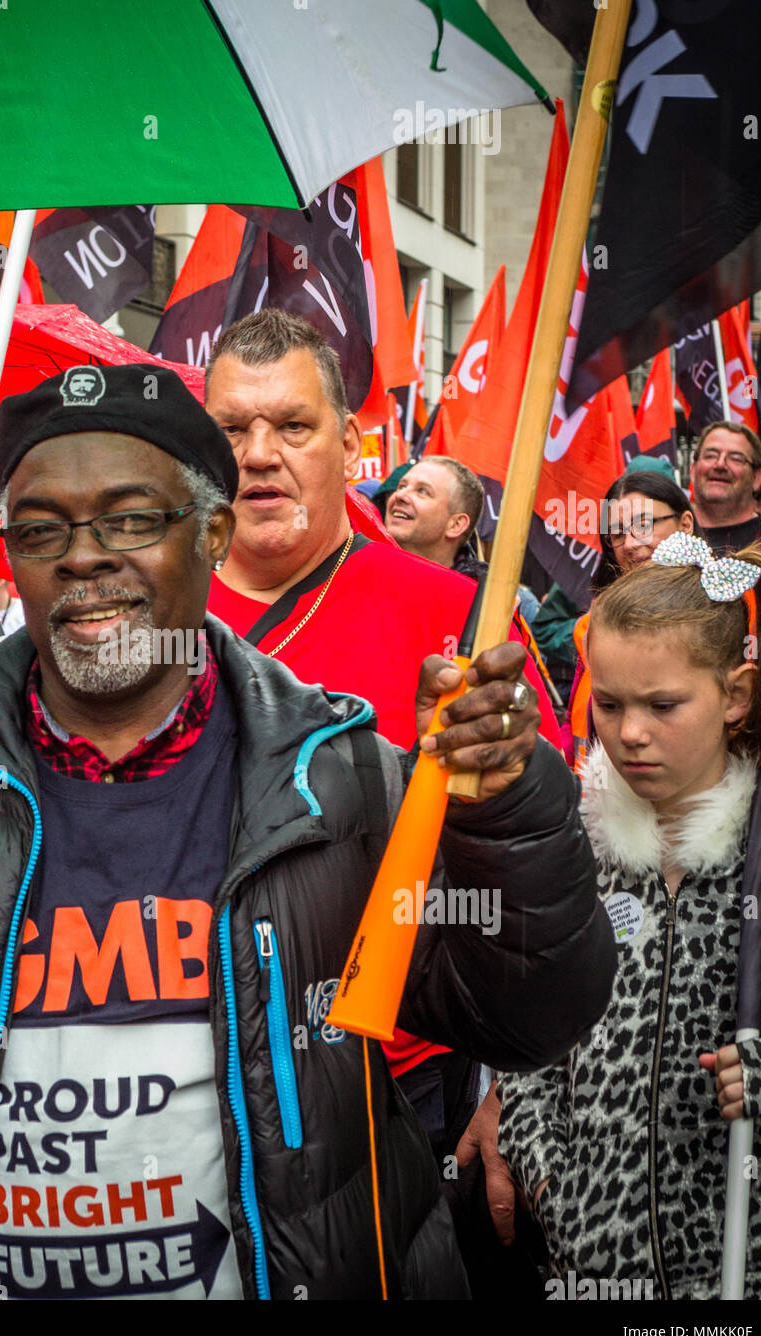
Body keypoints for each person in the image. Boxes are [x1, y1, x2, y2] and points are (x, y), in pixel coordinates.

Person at [0, 363, 614, 1299]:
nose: (84, 553)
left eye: (132, 518)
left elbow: (530, 1014)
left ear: (214, 532)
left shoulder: (343, 784)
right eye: (41, 527)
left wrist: (506, 812)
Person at [201, 311, 564, 1241]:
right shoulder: (143, 614)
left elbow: (549, 862)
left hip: (398, 1082)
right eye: (232, 430)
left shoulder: (458, 620)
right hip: (183, 1073)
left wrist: (513, 1087)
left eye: (292, 426)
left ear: (350, 444)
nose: (259, 454)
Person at [500, 534, 761, 1299]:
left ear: (736, 695)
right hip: (592, 1271)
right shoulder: (571, 842)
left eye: (663, 705)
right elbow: (528, 1032)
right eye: (608, 703)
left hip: (754, 1273)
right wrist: (554, 1185)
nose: (629, 733)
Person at [565, 466, 702, 773]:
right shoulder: (592, 624)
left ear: (686, 524)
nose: (628, 544)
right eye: (617, 534)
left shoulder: (725, 613)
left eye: (643, 525)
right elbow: (573, 724)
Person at [384, 456, 485, 573]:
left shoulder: (483, 590)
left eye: (422, 491)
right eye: (402, 486)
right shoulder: (362, 570)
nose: (399, 495)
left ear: (456, 525)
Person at [689, 422, 761, 553]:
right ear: (693, 470)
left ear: (756, 478)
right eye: (710, 456)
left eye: (736, 459)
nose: (720, 465)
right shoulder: (668, 533)